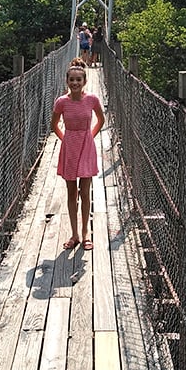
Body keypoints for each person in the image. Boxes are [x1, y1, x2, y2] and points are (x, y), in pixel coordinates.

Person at [51, 60, 105, 251]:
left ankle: (85, 234)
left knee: (85, 192)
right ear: (67, 81)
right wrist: (64, 139)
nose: (75, 83)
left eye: (78, 79)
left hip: (86, 145)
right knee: (72, 193)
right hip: (70, 147)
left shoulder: (92, 100)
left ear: (84, 81)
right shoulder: (61, 102)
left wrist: (90, 136)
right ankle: (74, 234)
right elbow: (54, 125)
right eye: (72, 79)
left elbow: (101, 120)